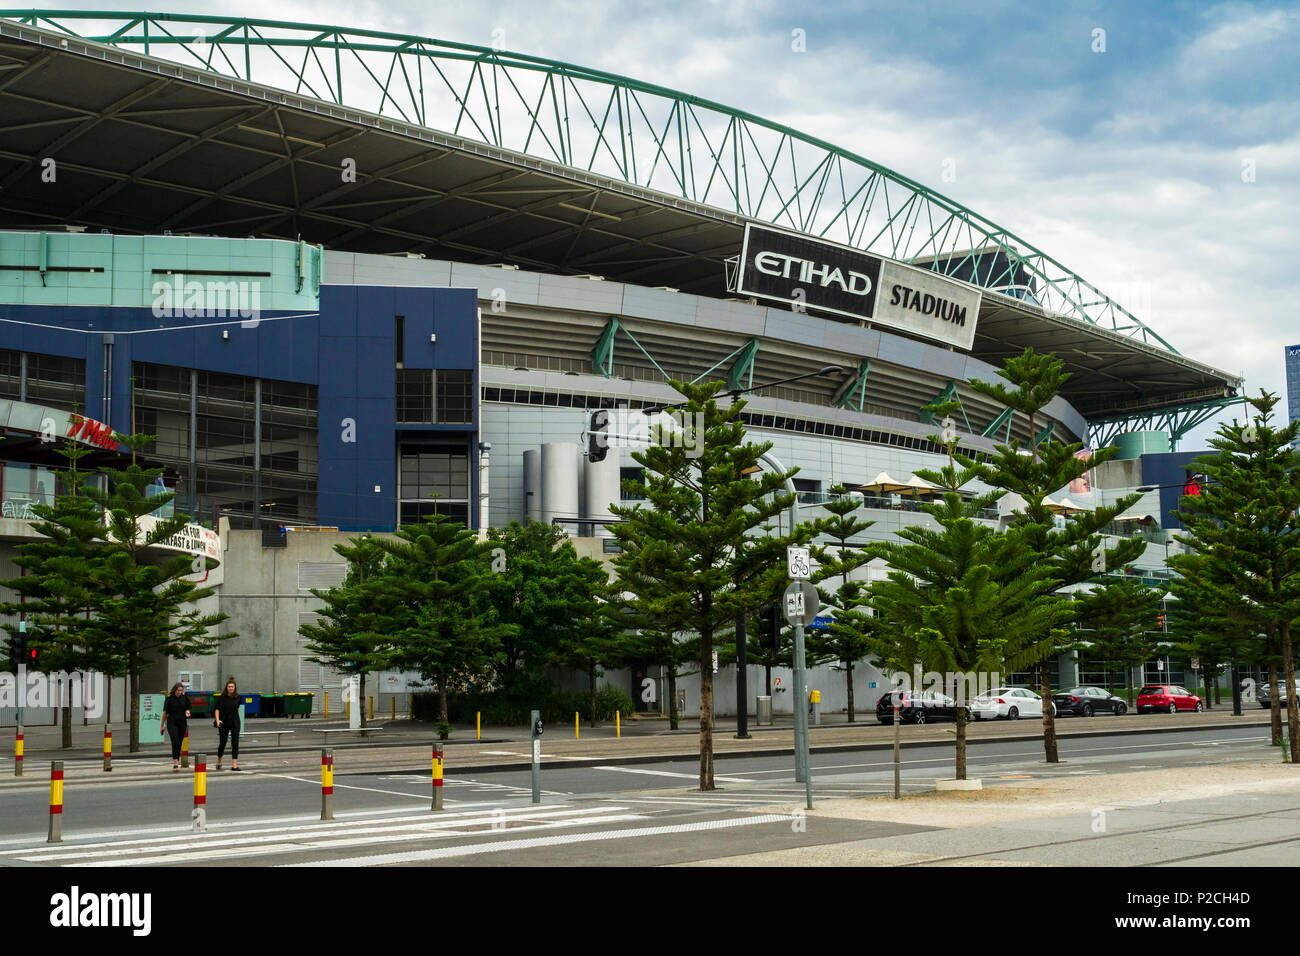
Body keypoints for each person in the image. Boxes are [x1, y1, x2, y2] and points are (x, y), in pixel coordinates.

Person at [160, 682, 191, 771]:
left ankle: (177, 759)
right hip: (172, 722)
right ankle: (175, 762)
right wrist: (161, 726)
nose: (179, 692)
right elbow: (165, 713)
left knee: (179, 743)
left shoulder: (184, 698)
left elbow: (188, 708)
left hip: (182, 722)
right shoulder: (169, 699)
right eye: (178, 690)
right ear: (175, 690)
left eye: (181, 691)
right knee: (175, 741)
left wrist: (188, 711)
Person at [215, 677, 241, 771]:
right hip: (224, 722)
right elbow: (217, 709)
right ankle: (219, 760)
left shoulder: (238, 697)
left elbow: (237, 709)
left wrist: (237, 719)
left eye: (232, 686)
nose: (230, 688)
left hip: (235, 722)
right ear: (226, 688)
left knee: (235, 743)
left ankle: (234, 765)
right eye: (229, 686)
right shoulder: (222, 698)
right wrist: (218, 720)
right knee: (223, 743)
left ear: (235, 688)